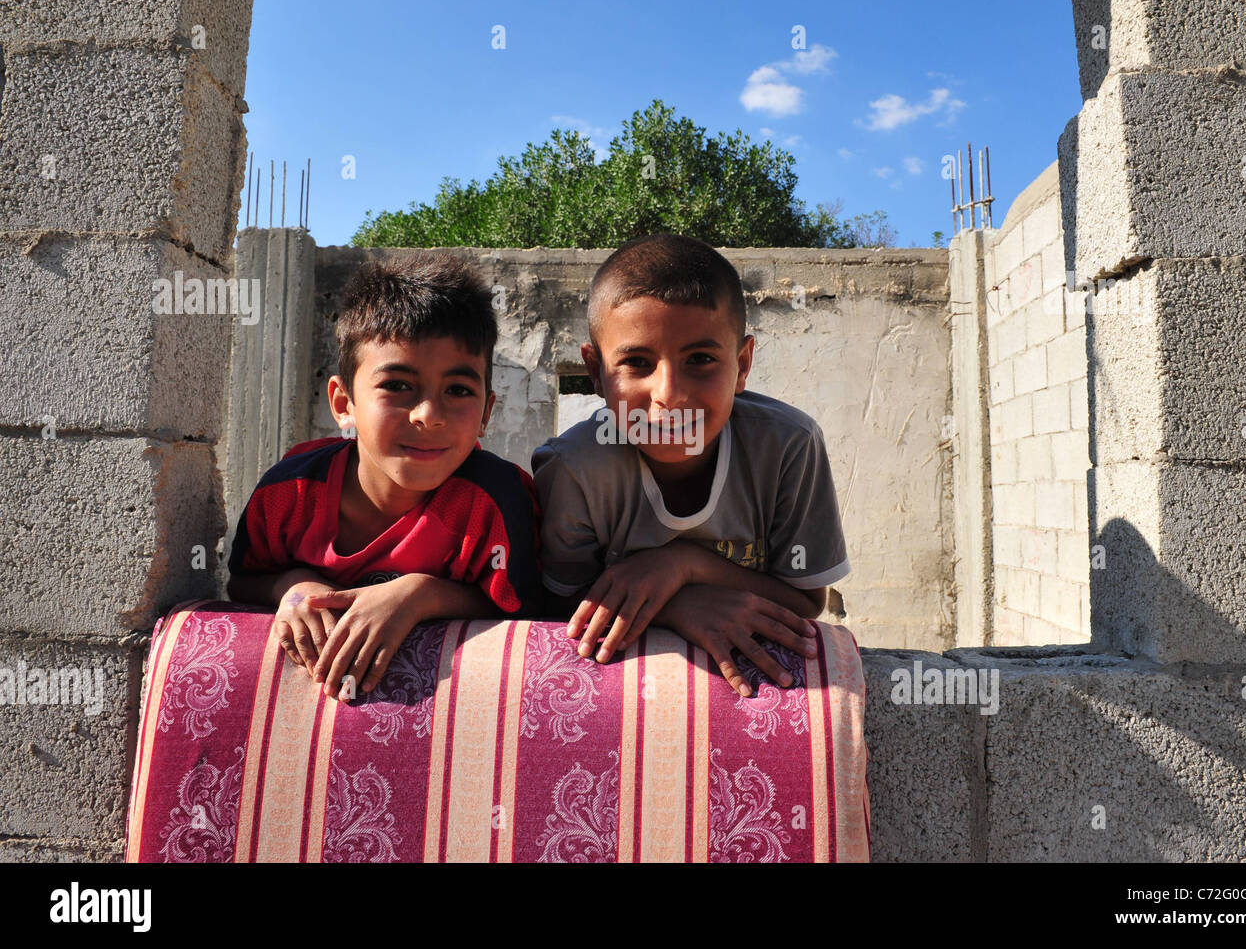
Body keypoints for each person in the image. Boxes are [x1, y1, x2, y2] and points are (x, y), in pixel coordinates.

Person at [531, 233, 850, 697]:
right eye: (637, 362)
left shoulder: (788, 446)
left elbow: (803, 603)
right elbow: (558, 608)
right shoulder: (576, 468)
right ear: (596, 372)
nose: (670, 395)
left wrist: (682, 565)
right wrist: (676, 605)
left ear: (742, 364)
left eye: (700, 359)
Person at [227, 254, 542, 700]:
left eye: (458, 390)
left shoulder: (495, 501)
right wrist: (293, 587)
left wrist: (419, 595)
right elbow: (239, 581)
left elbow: (525, 613)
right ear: (343, 403)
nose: (429, 415)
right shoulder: (289, 494)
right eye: (397, 385)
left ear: (487, 412)